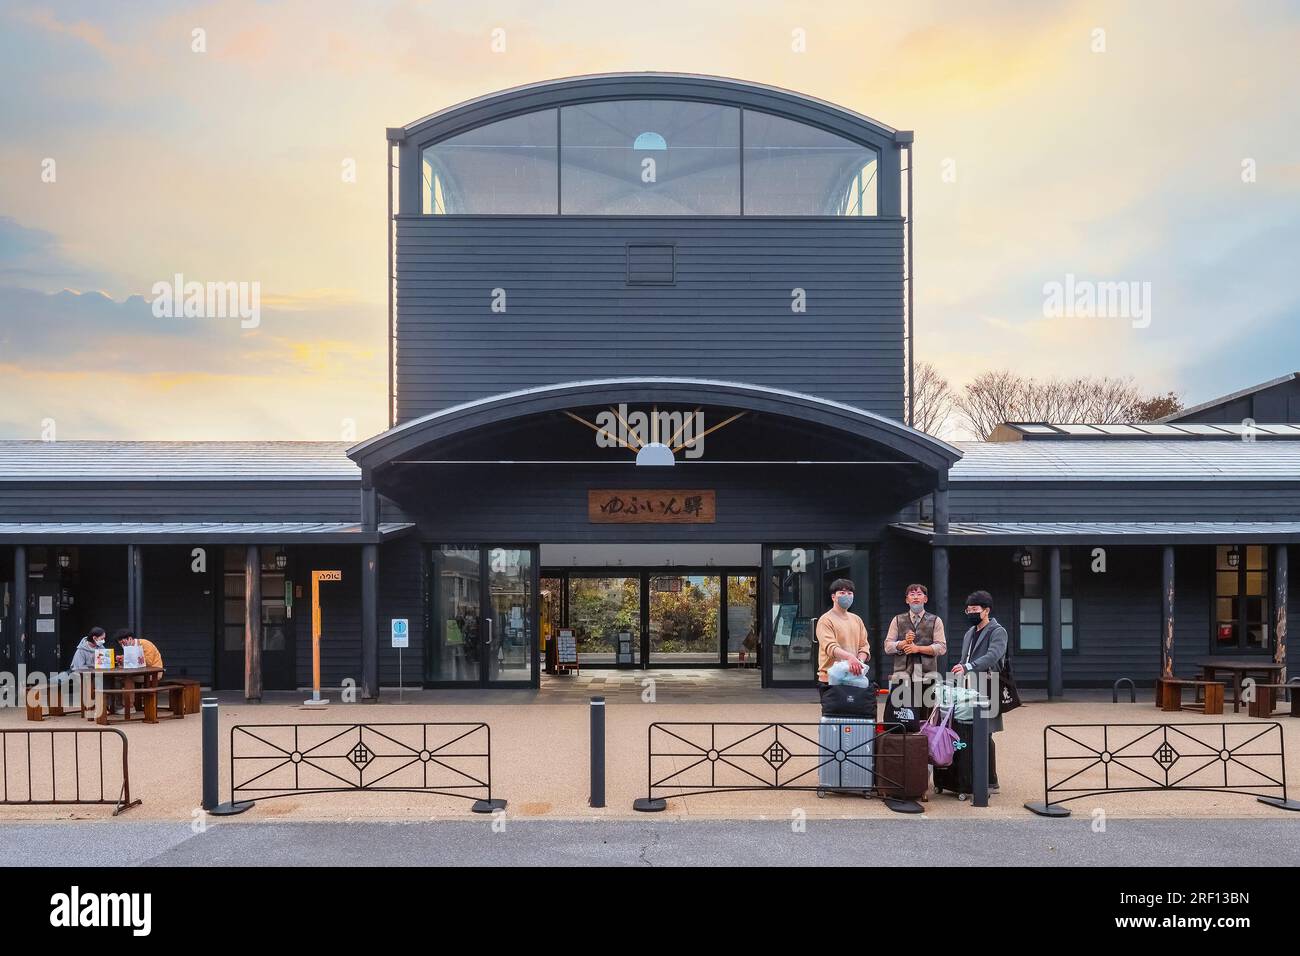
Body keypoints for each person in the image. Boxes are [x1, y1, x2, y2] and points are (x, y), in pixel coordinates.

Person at [950, 590, 1008, 791]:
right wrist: (960, 668)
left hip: (987, 684)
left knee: (986, 732)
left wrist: (968, 666)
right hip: (967, 685)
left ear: (986, 611)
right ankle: (971, 776)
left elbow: (993, 656)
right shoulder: (969, 633)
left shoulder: (997, 631)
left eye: (975, 609)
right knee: (967, 729)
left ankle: (990, 780)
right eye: (968, 610)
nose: (970, 613)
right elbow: (964, 658)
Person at [883, 583, 946, 715]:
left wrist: (918, 649)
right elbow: (888, 646)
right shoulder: (897, 620)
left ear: (925, 599)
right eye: (912, 594)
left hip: (926, 674)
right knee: (902, 714)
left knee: (925, 715)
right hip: (902, 674)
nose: (915, 597)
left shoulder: (935, 620)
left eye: (919, 594)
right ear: (907, 600)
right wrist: (902, 643)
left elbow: (941, 647)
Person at [815, 578, 870, 688]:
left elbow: (864, 646)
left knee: (859, 705)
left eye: (850, 593)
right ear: (833, 597)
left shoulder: (856, 619)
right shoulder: (825, 620)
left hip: (854, 676)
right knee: (836, 706)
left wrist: (858, 662)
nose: (847, 596)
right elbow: (830, 647)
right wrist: (850, 657)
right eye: (842, 593)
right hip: (830, 678)